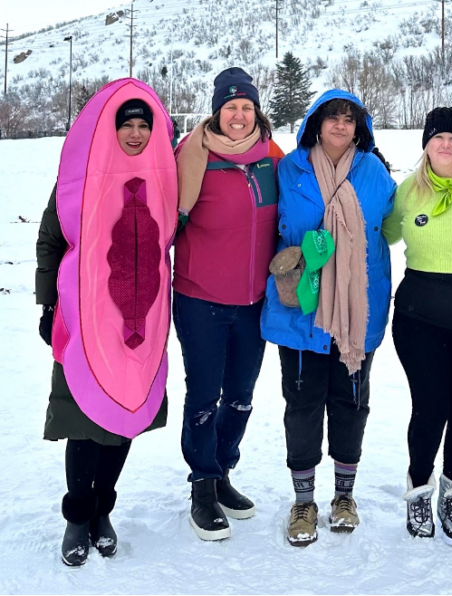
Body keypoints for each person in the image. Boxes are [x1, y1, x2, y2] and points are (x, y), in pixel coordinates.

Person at [36, 83, 177, 566]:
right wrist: (47, 305)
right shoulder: (79, 178)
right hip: (85, 319)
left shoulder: (166, 177)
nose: (136, 133)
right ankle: (78, 515)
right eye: (127, 123)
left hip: (142, 319)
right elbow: (50, 242)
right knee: (84, 419)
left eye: (144, 124)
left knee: (121, 422)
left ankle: (102, 511)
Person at [260, 90, 396, 547]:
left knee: (350, 404)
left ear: (360, 127)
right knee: (301, 407)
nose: (340, 125)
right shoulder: (290, 169)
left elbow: (396, 227)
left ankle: (343, 496)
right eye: (332, 117)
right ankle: (303, 501)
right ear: (315, 124)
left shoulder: (376, 172)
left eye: (349, 119)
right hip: (301, 312)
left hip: (359, 311)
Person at [173, 67, 284, 541]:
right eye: (230, 107)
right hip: (200, 296)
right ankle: (201, 482)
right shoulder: (189, 154)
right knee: (204, 395)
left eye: (246, 107)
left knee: (240, 395)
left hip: (254, 300)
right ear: (216, 111)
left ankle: (222, 472)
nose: (239, 116)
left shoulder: (273, 157)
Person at [382, 107, 452, 545]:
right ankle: (418, 490)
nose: (445, 144)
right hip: (419, 320)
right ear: (425, 145)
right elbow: (380, 234)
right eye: (437, 138)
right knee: (432, 407)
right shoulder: (407, 192)